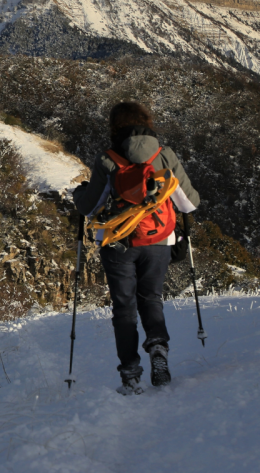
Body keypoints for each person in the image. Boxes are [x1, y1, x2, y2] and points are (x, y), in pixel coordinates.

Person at [73, 102, 200, 395]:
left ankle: (130, 374)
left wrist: (79, 192)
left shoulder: (109, 160)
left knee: (124, 308)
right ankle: (157, 347)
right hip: (159, 241)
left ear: (115, 127)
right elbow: (189, 203)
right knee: (151, 298)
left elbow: (90, 205)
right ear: (147, 123)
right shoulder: (163, 155)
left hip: (118, 244)